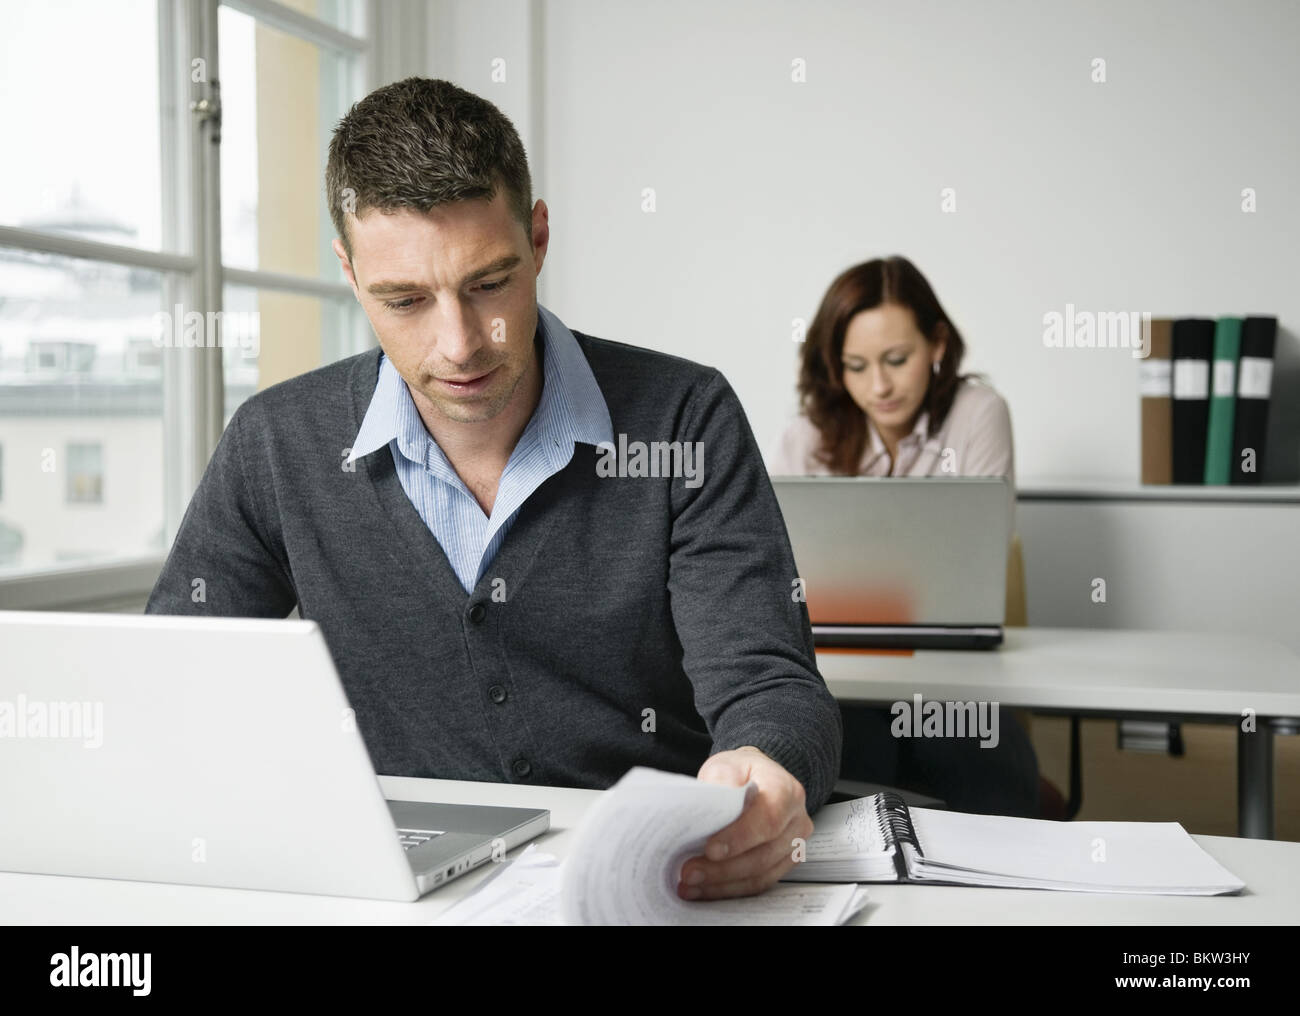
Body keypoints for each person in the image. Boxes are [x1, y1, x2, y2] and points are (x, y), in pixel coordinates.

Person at [146, 77, 841, 901]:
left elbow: (771, 685)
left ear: (538, 237)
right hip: (392, 895)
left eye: (488, 284)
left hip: (649, 887)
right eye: (404, 300)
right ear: (349, 270)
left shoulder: (683, 417)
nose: (461, 344)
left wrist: (763, 767)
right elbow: (171, 685)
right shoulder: (277, 443)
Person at [771, 255, 1039, 817]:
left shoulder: (977, 414)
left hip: (955, 675)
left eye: (897, 359)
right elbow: (787, 577)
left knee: (981, 758)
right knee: (838, 757)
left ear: (937, 345)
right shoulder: (808, 436)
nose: (880, 385)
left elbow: (981, 552)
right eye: (856, 365)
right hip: (842, 670)